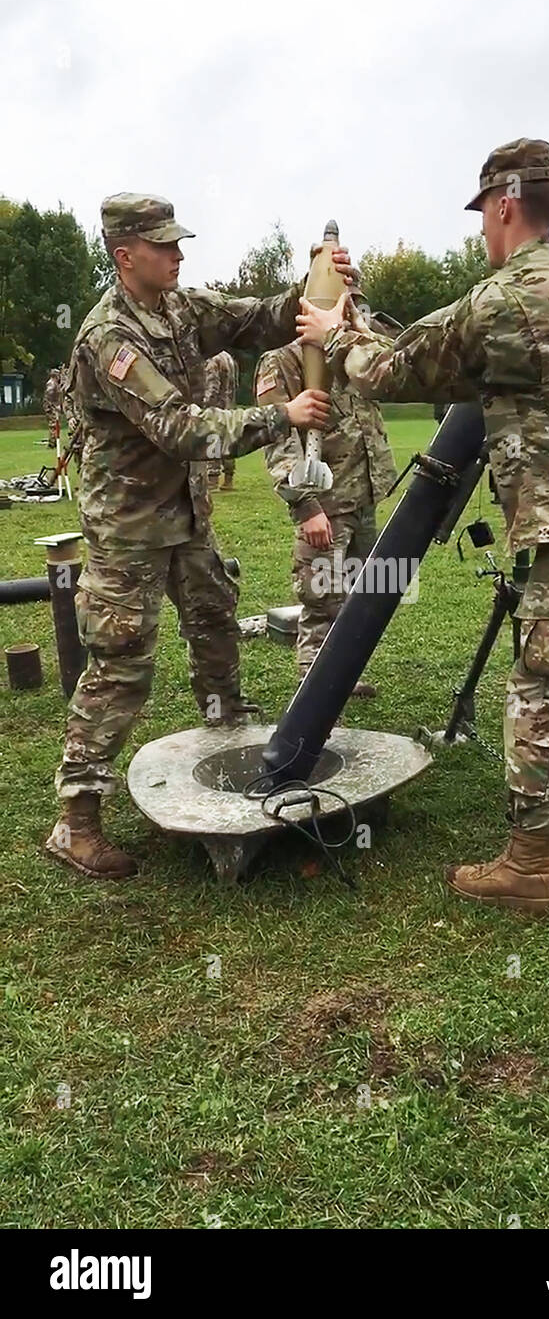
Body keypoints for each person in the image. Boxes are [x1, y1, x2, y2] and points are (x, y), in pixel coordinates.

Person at [297, 139, 549, 914]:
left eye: (481, 214)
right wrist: (362, 316)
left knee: (545, 684)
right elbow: (439, 347)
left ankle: (529, 864)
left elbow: (390, 372)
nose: (480, 230)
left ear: (503, 205)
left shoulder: (504, 299)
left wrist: (337, 332)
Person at [46, 192, 352, 880]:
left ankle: (231, 743)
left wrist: (314, 283)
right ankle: (76, 821)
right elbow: (180, 429)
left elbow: (258, 317)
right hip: (129, 528)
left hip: (185, 518)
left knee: (215, 626)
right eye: (164, 245)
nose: (179, 254)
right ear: (126, 256)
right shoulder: (109, 338)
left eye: (178, 242)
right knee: (121, 668)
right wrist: (281, 415)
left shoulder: (181, 308)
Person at [255, 294, 398, 695]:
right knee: (321, 600)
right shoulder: (284, 361)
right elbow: (278, 439)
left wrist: (360, 330)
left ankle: (342, 677)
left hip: (364, 495)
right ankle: (313, 691)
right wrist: (306, 505)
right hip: (325, 503)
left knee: (359, 595)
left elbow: (400, 360)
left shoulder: (354, 352)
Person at [202, 350, 238, 490]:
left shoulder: (212, 359)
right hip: (229, 406)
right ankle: (228, 479)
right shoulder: (227, 356)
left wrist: (204, 406)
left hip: (216, 408)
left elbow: (212, 387)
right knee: (228, 441)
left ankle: (213, 479)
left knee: (213, 441)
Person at [43, 368, 63, 446]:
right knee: (53, 424)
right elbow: (50, 397)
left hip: (52, 406)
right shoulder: (51, 383)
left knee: (55, 424)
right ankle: (52, 442)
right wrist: (54, 406)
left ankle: (54, 440)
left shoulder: (54, 383)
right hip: (51, 407)